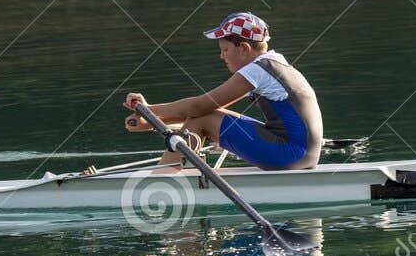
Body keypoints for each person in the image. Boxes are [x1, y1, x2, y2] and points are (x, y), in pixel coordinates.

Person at [123, 12, 323, 170]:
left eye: (225, 50)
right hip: (302, 154)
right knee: (207, 116)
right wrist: (151, 122)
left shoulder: (257, 70)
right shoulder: (274, 62)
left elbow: (197, 106)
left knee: (202, 118)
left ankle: (160, 180)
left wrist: (147, 110)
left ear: (244, 48)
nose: (221, 56)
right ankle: (172, 169)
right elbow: (208, 109)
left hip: (291, 154)